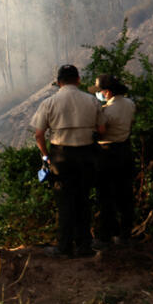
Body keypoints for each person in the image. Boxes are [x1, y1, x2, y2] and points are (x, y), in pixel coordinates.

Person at [30, 64, 100, 258]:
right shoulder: (92, 101)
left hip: (61, 157)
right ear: (78, 80)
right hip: (86, 156)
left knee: (65, 202)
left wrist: (46, 156)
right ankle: (84, 244)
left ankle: (64, 247)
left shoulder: (49, 103)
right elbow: (101, 129)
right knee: (83, 200)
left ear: (59, 83)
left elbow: (38, 134)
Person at [94, 73, 137, 247]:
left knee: (105, 196)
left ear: (108, 92)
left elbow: (100, 131)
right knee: (125, 194)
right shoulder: (130, 104)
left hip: (107, 153)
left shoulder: (106, 111)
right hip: (125, 151)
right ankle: (125, 235)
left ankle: (105, 236)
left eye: (102, 91)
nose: (101, 94)